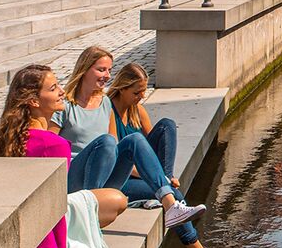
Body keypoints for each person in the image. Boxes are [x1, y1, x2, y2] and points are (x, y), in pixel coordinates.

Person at [56, 47, 205, 230]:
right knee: (107, 142)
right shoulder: (65, 106)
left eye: (109, 70)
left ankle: (170, 205)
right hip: (77, 179)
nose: (107, 75)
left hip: (106, 179)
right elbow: (50, 149)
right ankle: (89, 210)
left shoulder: (105, 103)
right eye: (101, 69)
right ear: (84, 69)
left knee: (134, 140)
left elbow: (115, 149)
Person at [0, 64, 127, 248]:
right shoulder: (54, 144)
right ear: (34, 101)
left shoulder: (8, 138)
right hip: (44, 229)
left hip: (22, 218)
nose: (62, 92)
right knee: (117, 199)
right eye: (53, 88)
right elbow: (55, 208)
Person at [108, 63, 205, 248]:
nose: (141, 97)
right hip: (122, 178)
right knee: (174, 195)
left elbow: (151, 151)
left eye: (143, 92)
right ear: (122, 88)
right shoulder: (110, 113)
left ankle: (165, 179)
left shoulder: (137, 111)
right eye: (137, 93)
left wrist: (161, 175)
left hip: (145, 172)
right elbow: (113, 160)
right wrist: (154, 178)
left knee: (167, 125)